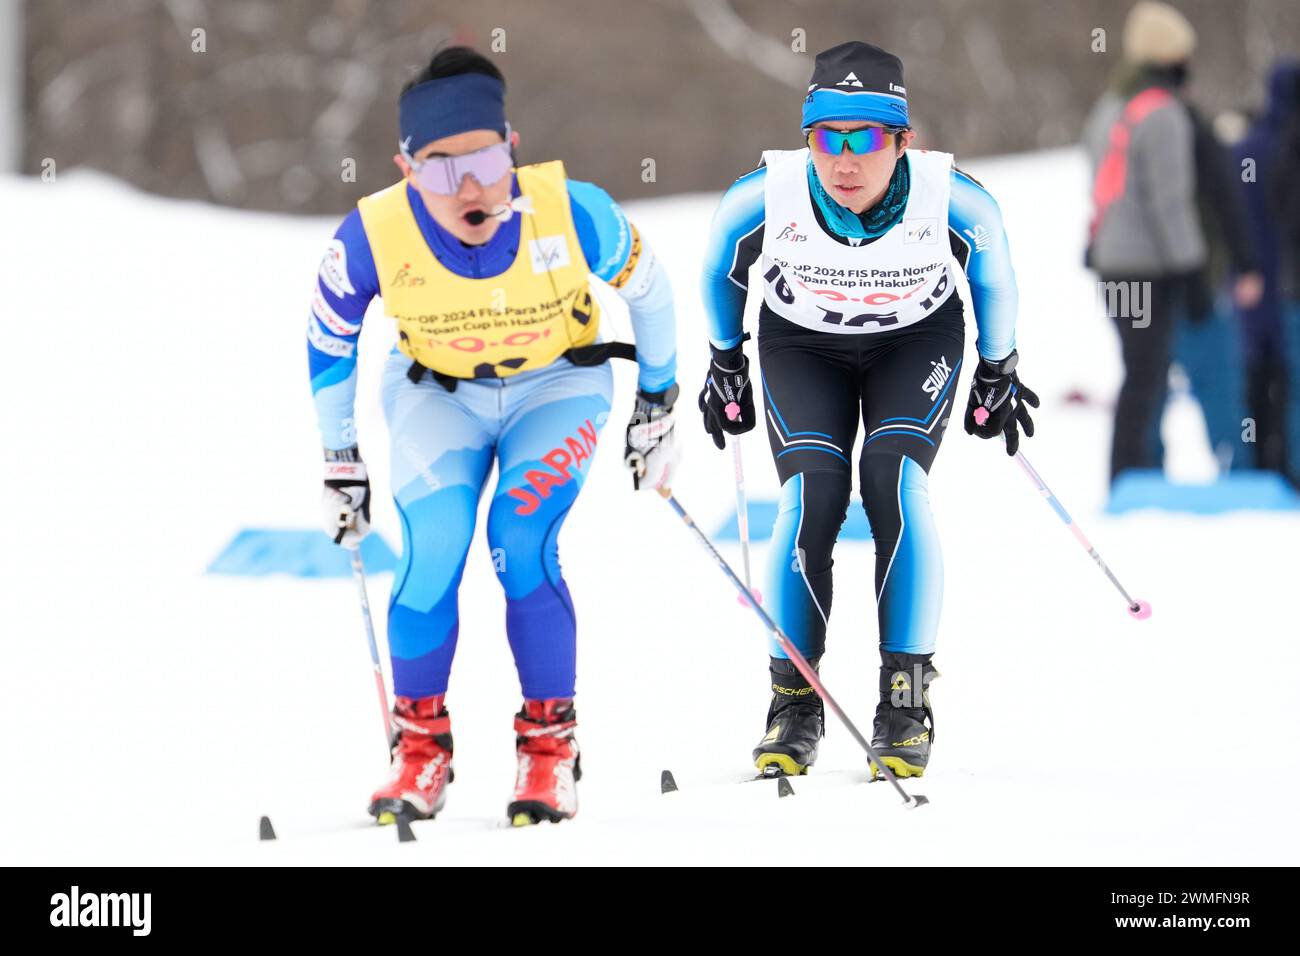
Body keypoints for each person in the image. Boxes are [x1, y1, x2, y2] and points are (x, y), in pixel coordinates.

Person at [307, 47, 680, 826]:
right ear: (405, 168)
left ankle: (549, 750)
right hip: (436, 397)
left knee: (520, 536)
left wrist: (658, 401)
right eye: (439, 168)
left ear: (509, 145)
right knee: (434, 547)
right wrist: (340, 457)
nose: (467, 186)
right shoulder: (369, 233)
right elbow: (329, 343)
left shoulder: (574, 210)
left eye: (481, 158)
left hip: (558, 385)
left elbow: (649, 290)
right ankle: (420, 749)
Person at [698, 41, 1035, 780]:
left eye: (866, 141)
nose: (844, 162)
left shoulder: (956, 197)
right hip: (801, 347)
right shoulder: (765, 194)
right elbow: (721, 265)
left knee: (892, 480)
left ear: (904, 141)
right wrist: (725, 359)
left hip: (916, 343)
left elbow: (996, 277)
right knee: (812, 493)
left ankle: (905, 702)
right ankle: (793, 703)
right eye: (827, 139)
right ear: (807, 139)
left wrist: (998, 367)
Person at [1083, 1, 1261, 483]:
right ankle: (1134, 473)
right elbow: (1170, 203)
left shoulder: (1110, 108)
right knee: (1159, 373)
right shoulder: (1165, 115)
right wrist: (1192, 271)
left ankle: (1135, 470)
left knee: (1141, 374)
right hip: (1150, 269)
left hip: (1113, 266)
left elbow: (1105, 187)